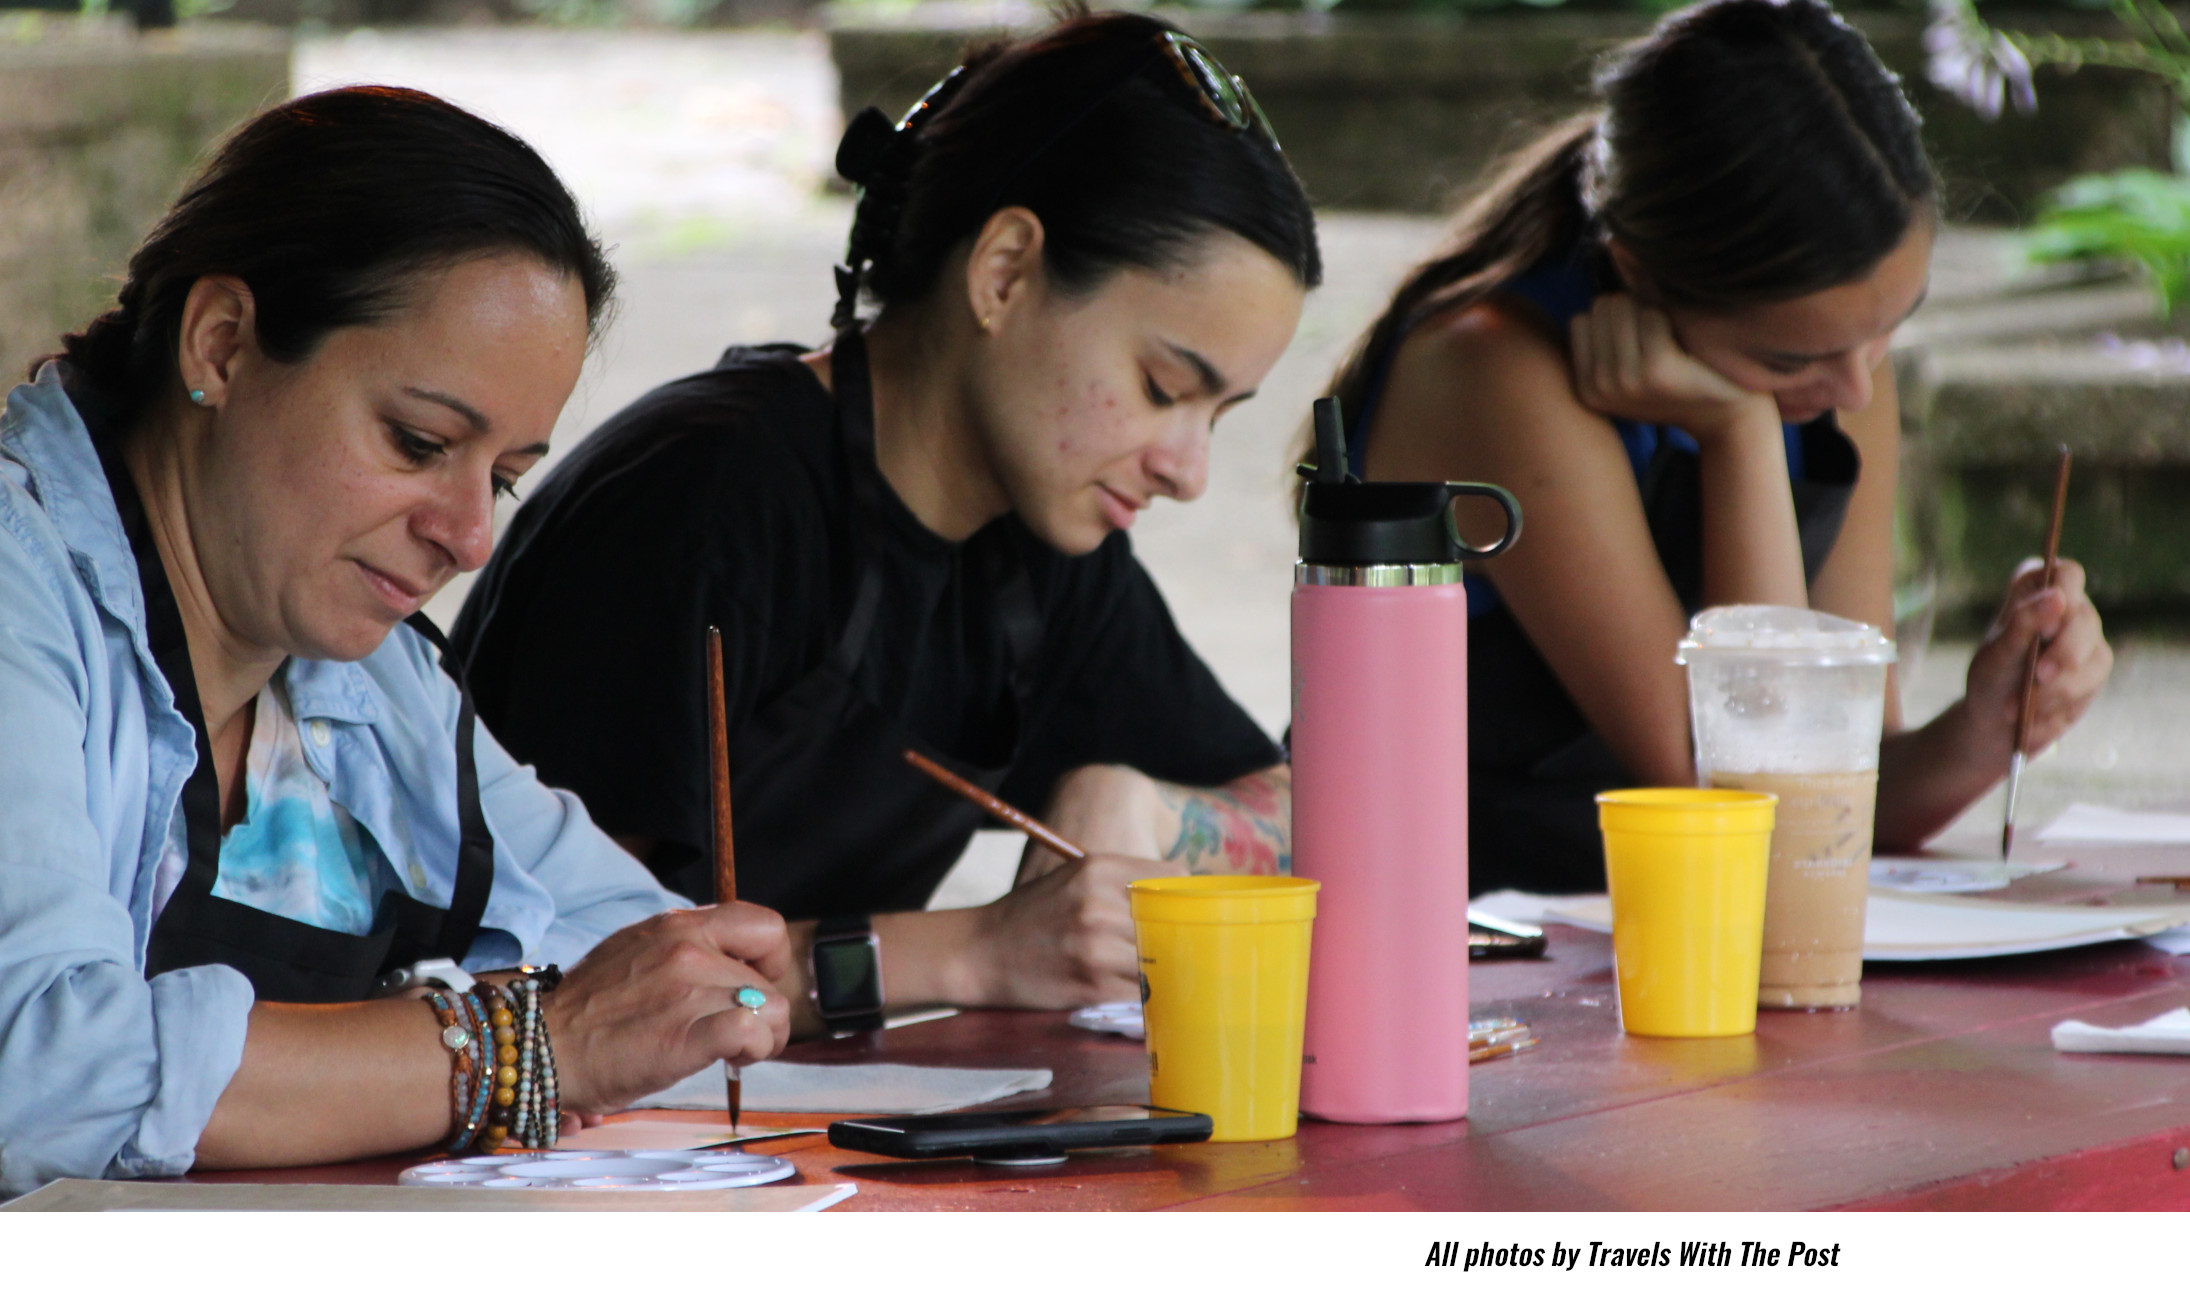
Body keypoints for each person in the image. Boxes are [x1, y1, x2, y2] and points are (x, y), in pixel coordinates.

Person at [449, 10, 1320, 1027]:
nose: (1189, 471)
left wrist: (1146, 811)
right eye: (1164, 386)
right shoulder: (706, 503)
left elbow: (1321, 822)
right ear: (1004, 273)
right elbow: (566, 990)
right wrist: (968, 955)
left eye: (1219, 416)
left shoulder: (1045, 544)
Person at [0, 87, 793, 1197]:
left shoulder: (365, 674)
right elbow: (35, 1071)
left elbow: (637, 947)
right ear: (222, 344)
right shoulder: (20, 590)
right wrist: (517, 1050)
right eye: (419, 442)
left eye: (504, 480)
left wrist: (616, 1014)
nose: (466, 538)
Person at [1326, 0, 2113, 893]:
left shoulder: (1837, 365)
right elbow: (1744, 795)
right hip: (1456, 933)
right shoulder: (1495, 372)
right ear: (1637, 274)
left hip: (1679, 935)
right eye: (1791, 357)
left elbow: (1841, 787)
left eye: (1891, 329)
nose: (1855, 390)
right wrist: (1741, 434)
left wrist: (1987, 723)